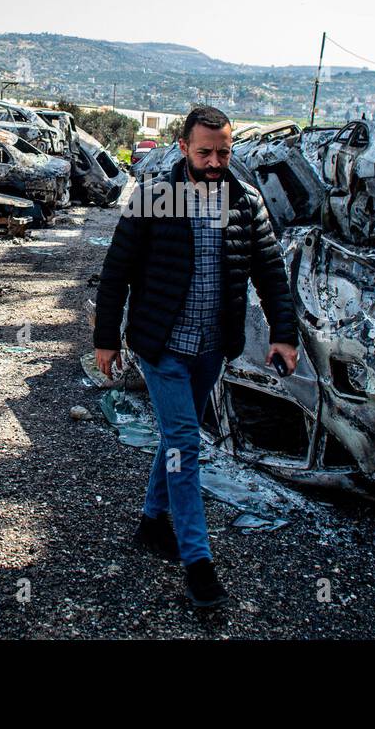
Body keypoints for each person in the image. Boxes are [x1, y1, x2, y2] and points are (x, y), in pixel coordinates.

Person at [93, 105, 298, 607]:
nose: (214, 161)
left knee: (177, 438)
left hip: (211, 349)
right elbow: (117, 270)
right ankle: (198, 561)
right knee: (186, 441)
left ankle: (150, 521)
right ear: (183, 147)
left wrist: (284, 333)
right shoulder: (154, 198)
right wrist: (106, 338)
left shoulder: (245, 203)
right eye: (204, 151)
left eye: (223, 152)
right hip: (161, 345)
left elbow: (271, 273)